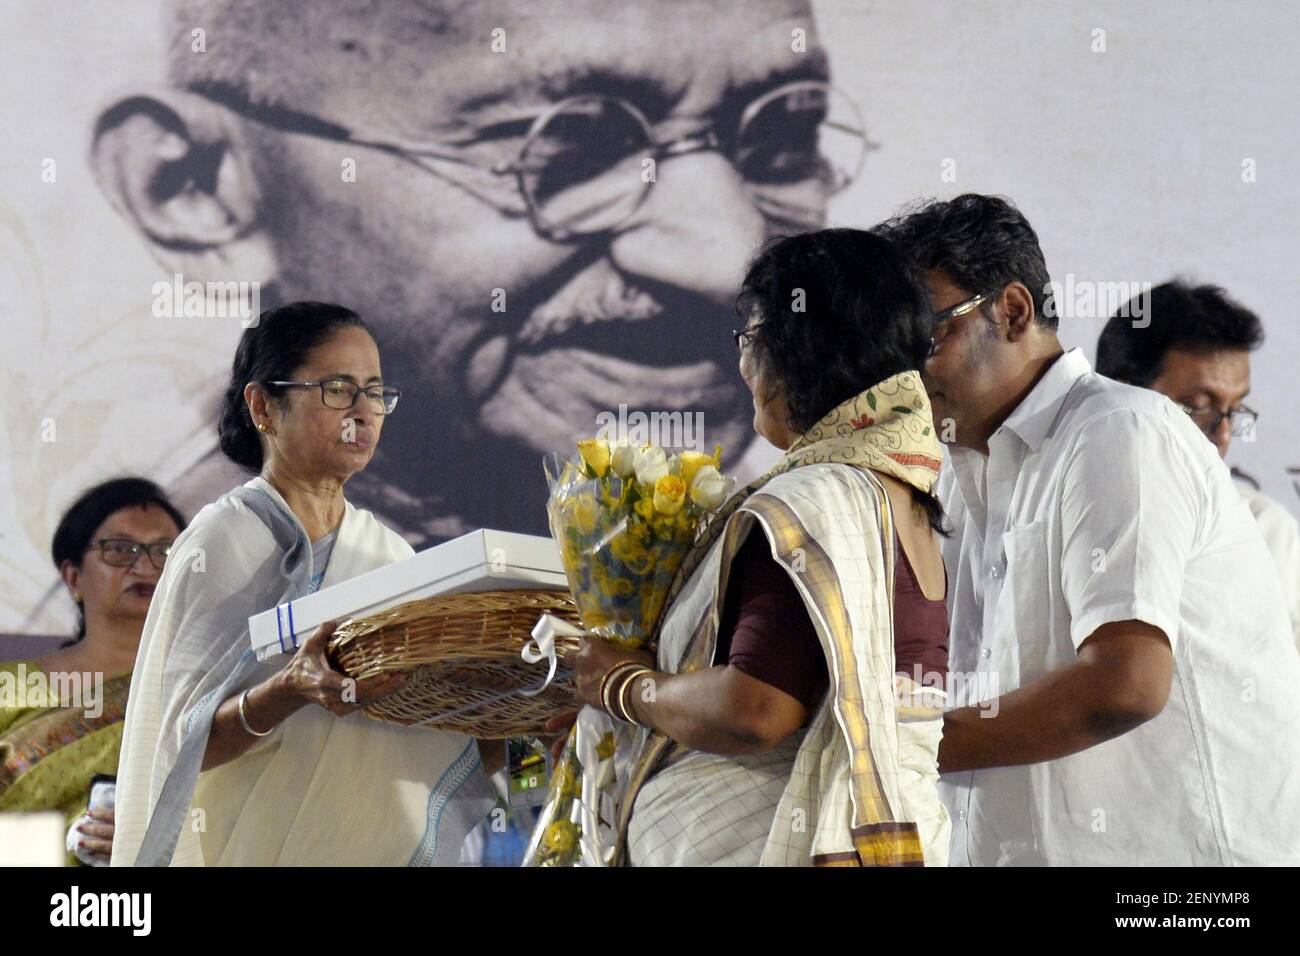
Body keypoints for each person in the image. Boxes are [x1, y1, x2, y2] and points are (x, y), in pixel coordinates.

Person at [88, 0, 868, 545]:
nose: (727, 259)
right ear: (195, 186)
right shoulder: (203, 599)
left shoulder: (777, 565)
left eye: (781, 135)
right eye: (572, 150)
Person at [878, 193, 1300, 865]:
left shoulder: (1118, 430)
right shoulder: (955, 468)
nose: (906, 370)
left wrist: (888, 747)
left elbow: (1125, 684)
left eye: (925, 337)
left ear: (1012, 311)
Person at [559, 229, 952, 866]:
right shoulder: (896, 494)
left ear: (792, 349)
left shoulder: (813, 502)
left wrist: (625, 685)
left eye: (749, 340)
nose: (743, 365)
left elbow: (758, 709)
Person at [111, 301, 496, 867]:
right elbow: (178, 747)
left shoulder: (390, 555)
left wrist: (517, 708)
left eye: (376, 392)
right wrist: (288, 691)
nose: (363, 412)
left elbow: (425, 741)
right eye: (338, 389)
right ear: (263, 405)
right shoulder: (223, 541)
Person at [1096, 280, 1300, 652]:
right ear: (1121, 396)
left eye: (1234, 409)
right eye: (1198, 406)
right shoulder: (1063, 512)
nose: (1222, 433)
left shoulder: (1272, 532)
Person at [1, 478, 185, 865]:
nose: (146, 566)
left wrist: (160, 839)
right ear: (73, 578)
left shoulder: (204, 691)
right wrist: (57, 842)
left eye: (166, 551)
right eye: (120, 549)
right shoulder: (11, 689)